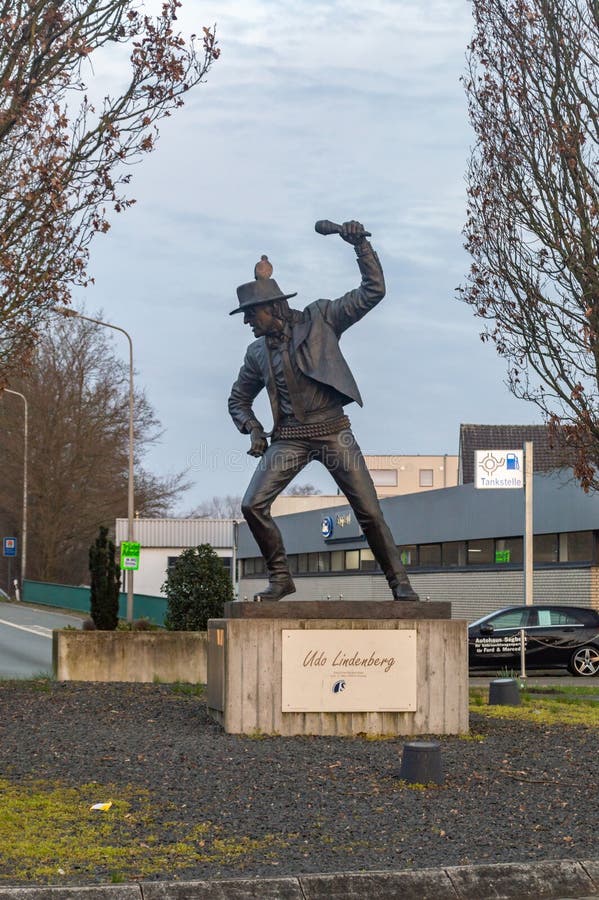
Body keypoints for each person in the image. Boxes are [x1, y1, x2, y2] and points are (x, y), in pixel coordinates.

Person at [228, 220, 419, 602]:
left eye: (251, 313)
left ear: (269, 307)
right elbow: (238, 399)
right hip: (289, 440)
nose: (247, 321)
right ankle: (280, 577)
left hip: (333, 430)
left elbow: (373, 291)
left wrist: (360, 246)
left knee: (368, 512)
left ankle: (400, 583)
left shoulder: (320, 318)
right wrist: (253, 428)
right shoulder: (255, 354)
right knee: (252, 505)